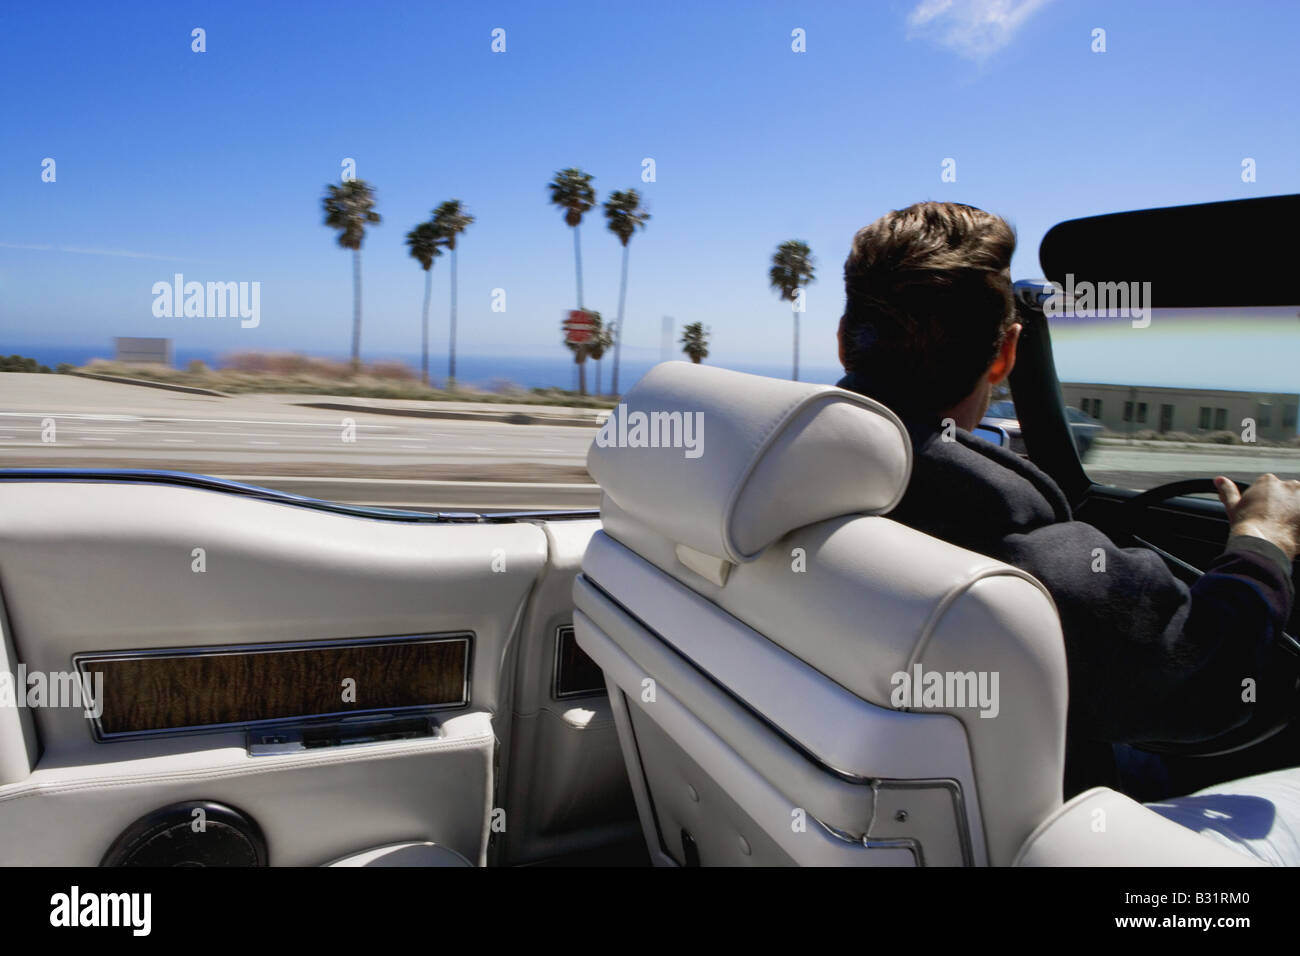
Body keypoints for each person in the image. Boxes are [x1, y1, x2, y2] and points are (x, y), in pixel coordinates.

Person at [835, 201, 1300, 862]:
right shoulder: (1029, 563)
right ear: (1006, 357)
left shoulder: (775, 501)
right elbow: (1209, 685)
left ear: (843, 341)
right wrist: (1262, 543)